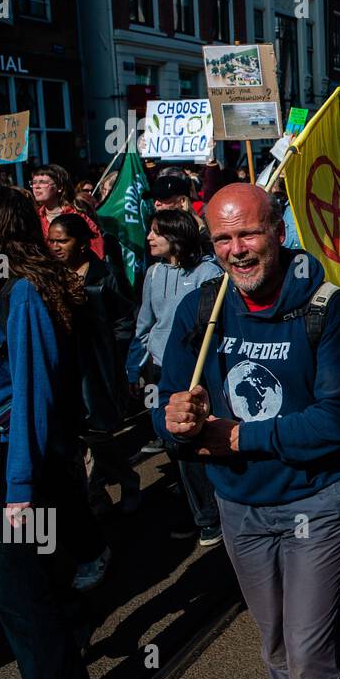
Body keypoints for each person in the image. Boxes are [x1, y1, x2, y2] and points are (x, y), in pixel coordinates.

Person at [154, 184, 340, 679]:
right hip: (238, 505)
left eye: (249, 233)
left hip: (313, 502)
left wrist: (236, 436)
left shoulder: (325, 305)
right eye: (223, 238)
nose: (237, 249)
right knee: (277, 643)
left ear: (277, 232)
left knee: (305, 649)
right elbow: (170, 409)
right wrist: (177, 424)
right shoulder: (200, 308)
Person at [0, 186, 92, 679]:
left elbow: (34, 394)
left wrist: (19, 490)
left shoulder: (25, 292)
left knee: (21, 602)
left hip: (16, 466)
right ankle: (62, 607)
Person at [126, 209, 224, 544]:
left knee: (192, 439)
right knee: (167, 436)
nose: (149, 238)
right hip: (156, 369)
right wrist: (133, 365)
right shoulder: (153, 273)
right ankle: (194, 503)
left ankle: (210, 513)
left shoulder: (208, 273)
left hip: (192, 371)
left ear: (176, 237)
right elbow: (145, 322)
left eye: (156, 232)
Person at [47, 213, 140, 522]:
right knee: (75, 435)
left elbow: (125, 321)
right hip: (64, 368)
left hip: (98, 370)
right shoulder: (51, 277)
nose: (56, 247)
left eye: (63, 240)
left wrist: (117, 360)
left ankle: (126, 480)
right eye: (52, 241)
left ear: (83, 244)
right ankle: (95, 496)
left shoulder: (105, 276)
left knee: (99, 433)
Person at [29, 164, 105, 260]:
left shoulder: (77, 216)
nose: (36, 186)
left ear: (60, 187)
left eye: (42, 182)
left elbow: (97, 251)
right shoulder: (34, 218)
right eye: (34, 182)